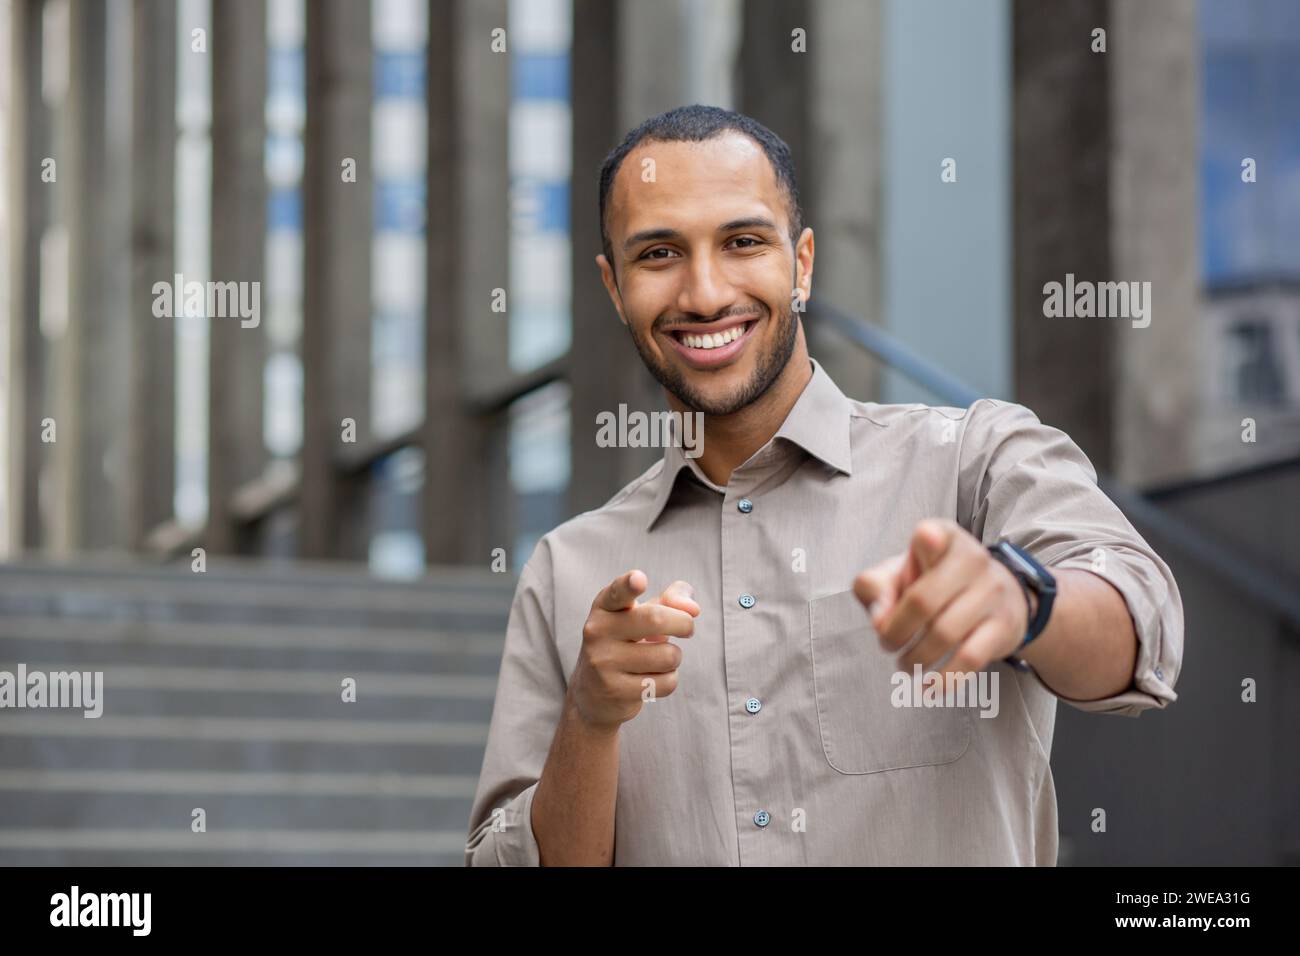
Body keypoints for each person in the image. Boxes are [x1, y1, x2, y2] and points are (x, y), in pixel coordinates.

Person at [465, 105, 1183, 866]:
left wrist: (1024, 600)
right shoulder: (566, 569)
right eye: (659, 254)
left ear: (802, 264)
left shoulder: (976, 458)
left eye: (743, 242)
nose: (705, 294)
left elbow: (1143, 620)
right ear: (614, 288)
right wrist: (589, 718)